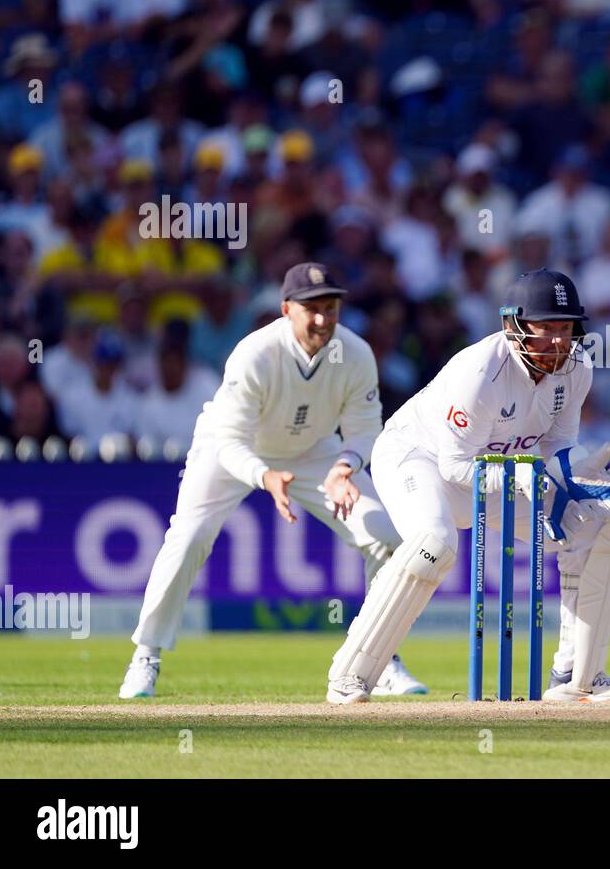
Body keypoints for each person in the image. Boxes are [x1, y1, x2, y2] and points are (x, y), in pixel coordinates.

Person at [326, 269, 610, 703]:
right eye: (545, 327)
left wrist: (580, 475)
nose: (557, 340)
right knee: (434, 543)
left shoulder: (576, 370)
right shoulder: (479, 372)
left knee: (598, 530)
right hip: (418, 458)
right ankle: (351, 674)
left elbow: (557, 445)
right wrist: (529, 475)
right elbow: (455, 466)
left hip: (504, 471)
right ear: (512, 327)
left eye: (565, 328)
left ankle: (576, 676)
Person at [119, 264, 426, 699]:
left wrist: (345, 466)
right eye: (312, 309)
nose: (323, 319)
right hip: (231, 451)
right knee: (188, 539)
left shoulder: (355, 353)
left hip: (315, 453)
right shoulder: (255, 354)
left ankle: (377, 661)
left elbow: (363, 426)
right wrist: (264, 476)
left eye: (330, 307)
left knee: (388, 538)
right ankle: (145, 657)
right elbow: (229, 439)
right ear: (286, 310)